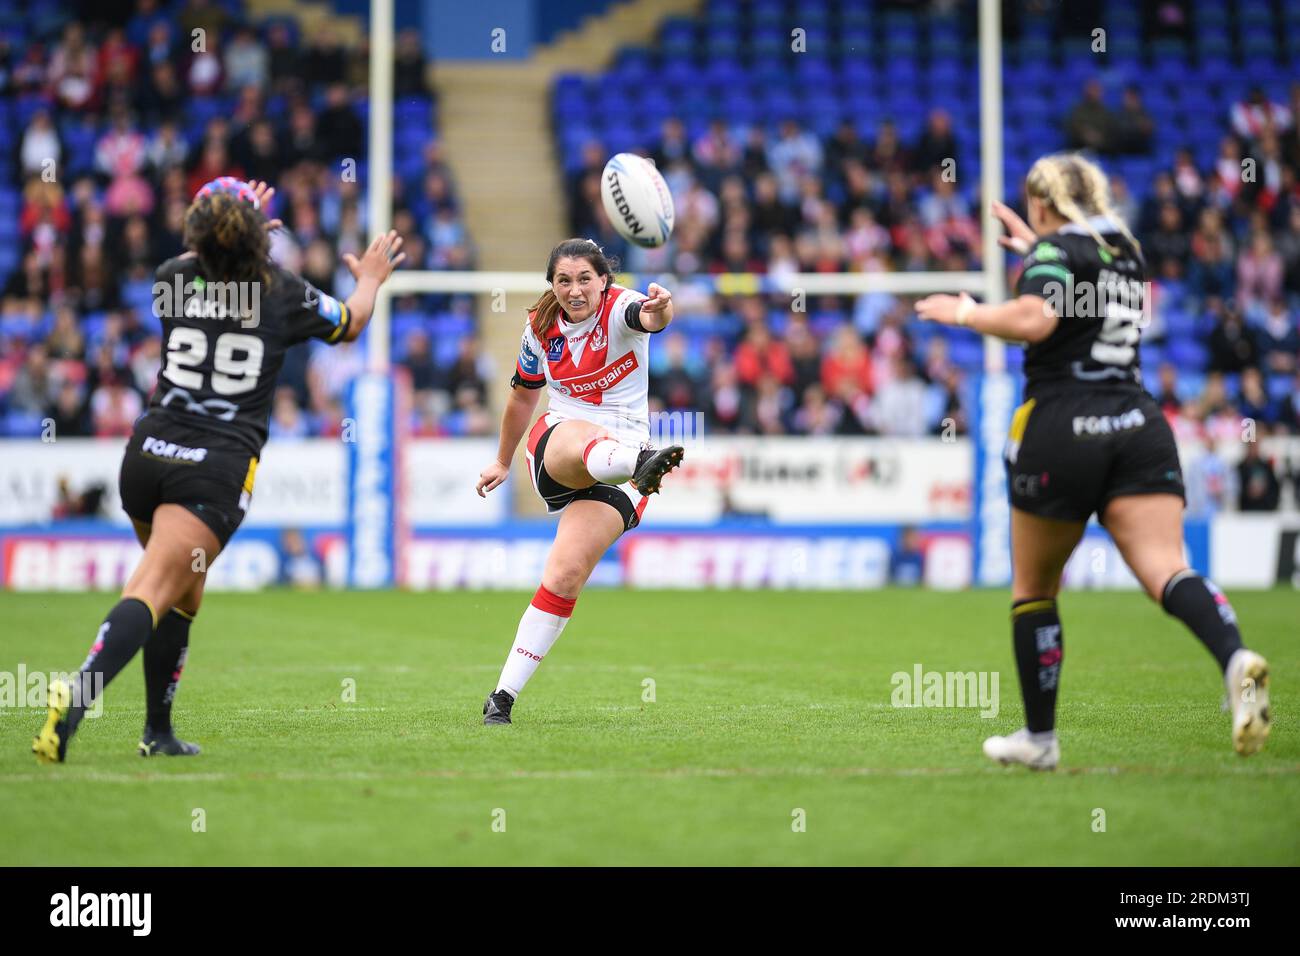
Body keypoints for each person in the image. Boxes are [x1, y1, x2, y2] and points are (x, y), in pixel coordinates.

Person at [916, 153, 1271, 769]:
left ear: (1046, 204)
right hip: (1138, 422)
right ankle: (1234, 657)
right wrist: (1037, 248)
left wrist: (966, 312)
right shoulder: (1125, 250)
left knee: (1034, 588)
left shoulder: (1057, 256)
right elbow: (1081, 285)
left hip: (1063, 423)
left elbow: (1038, 316)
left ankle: (1040, 739)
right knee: (1167, 569)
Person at [32, 178, 405, 763]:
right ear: (259, 236)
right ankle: (76, 697)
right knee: (155, 588)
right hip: (212, 467)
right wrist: (370, 279)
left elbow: (202, 253)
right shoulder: (283, 292)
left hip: (147, 455)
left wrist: (236, 213)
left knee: (183, 589)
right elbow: (351, 323)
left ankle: (157, 731)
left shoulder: (170, 278)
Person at [474, 238, 683, 725]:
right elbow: (524, 398)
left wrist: (663, 309)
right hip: (560, 448)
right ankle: (638, 462)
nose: (575, 290)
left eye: (584, 279)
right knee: (580, 435)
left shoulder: (623, 307)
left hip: (626, 464)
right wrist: (502, 461)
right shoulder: (539, 328)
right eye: (563, 280)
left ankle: (501, 698)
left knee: (565, 576)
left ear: (604, 280)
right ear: (552, 284)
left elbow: (651, 320)